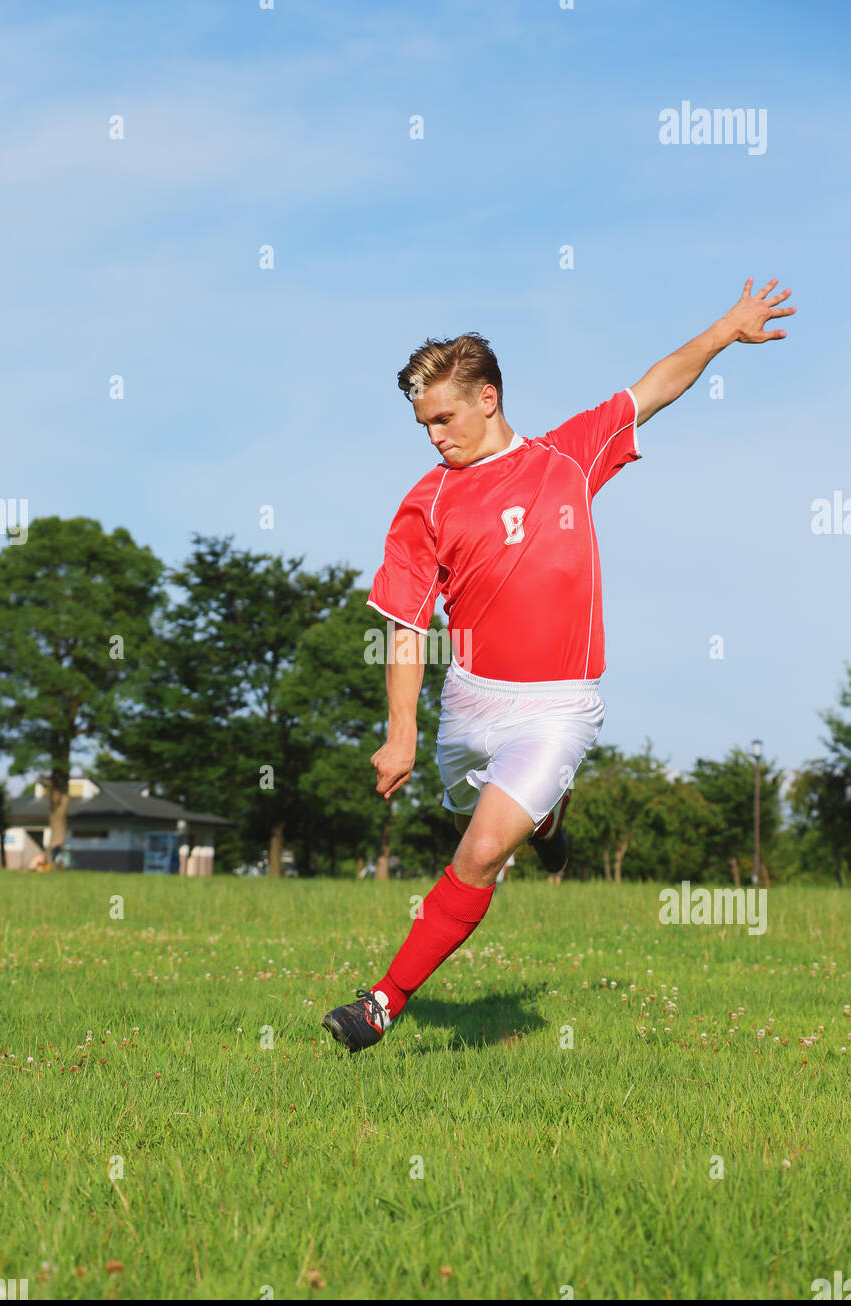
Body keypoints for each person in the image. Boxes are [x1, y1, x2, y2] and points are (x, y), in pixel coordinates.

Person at [322, 277, 795, 1053]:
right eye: (423, 425)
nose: (435, 435)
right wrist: (399, 731)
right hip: (470, 704)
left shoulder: (567, 458)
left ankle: (380, 1004)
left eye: (445, 417)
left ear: (488, 397)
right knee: (490, 819)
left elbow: (654, 388)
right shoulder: (424, 506)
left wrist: (723, 331)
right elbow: (405, 627)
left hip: (560, 706)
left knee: (478, 851)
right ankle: (547, 818)